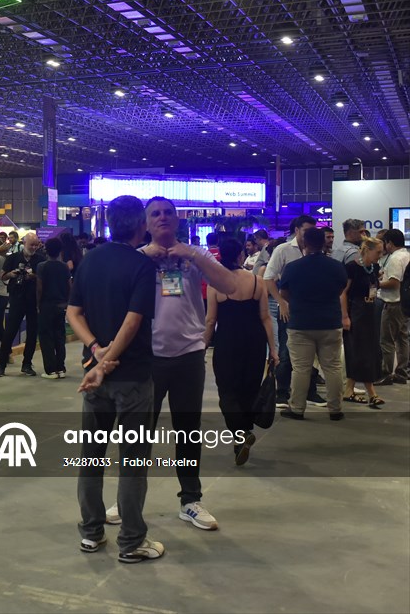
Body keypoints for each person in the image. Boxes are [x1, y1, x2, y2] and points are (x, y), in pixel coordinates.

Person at [115, 196, 237, 532]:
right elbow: (115, 293)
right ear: (146, 222)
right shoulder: (136, 258)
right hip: (147, 357)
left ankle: (190, 500)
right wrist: (144, 259)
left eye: (168, 212)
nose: (163, 217)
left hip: (188, 354)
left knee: (188, 431)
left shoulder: (195, 256)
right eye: (155, 213)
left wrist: (193, 254)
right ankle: (128, 499)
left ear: (178, 219)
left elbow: (230, 285)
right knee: (138, 434)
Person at [67, 195, 162, 563]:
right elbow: (133, 321)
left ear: (107, 223)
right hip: (133, 376)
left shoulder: (90, 260)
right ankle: (132, 542)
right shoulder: (141, 266)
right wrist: (107, 360)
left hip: (95, 377)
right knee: (133, 462)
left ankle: (91, 533)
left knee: (91, 457)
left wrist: (95, 351)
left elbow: (73, 313)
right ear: (141, 224)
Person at [204, 237, 278, 465]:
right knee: (249, 388)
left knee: (227, 390)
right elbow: (265, 318)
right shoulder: (257, 281)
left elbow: (210, 321)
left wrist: (202, 347)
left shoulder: (216, 285)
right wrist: (273, 350)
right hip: (254, 342)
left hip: (227, 342)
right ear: (240, 256)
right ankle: (242, 436)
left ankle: (240, 432)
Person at [278, 227, 347, 420]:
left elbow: (284, 294)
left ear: (304, 243)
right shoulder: (335, 266)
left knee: (301, 368)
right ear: (324, 242)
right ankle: (335, 409)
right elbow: (341, 289)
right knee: (332, 367)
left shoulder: (293, 267)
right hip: (330, 322)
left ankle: (297, 408)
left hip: (301, 323)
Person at [264, 215, 319, 405]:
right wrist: (281, 302)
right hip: (289, 309)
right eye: (306, 230)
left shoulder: (317, 250)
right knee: (287, 350)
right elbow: (268, 278)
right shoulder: (283, 250)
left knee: (312, 352)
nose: (310, 234)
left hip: (312, 309)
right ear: (296, 230)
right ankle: (282, 391)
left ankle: (310, 391)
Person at [340, 237, 385, 407]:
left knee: (369, 350)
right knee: (359, 350)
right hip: (356, 311)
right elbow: (343, 292)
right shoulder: (352, 267)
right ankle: (371, 392)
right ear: (367, 250)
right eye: (378, 252)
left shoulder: (374, 268)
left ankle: (349, 390)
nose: (380, 255)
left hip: (370, 310)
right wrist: (345, 316)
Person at [0, 233, 45, 377]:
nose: (34, 247)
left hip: (33, 300)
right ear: (24, 243)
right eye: (31, 245)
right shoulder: (12, 258)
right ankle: (1, 364)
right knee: (9, 332)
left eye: (36, 245)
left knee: (32, 334)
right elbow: (2, 276)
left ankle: (27, 364)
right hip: (16, 299)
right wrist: (11, 274)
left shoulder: (40, 260)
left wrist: (33, 276)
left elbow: (43, 279)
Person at [376, 229, 409, 385]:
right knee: (403, 338)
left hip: (393, 303)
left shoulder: (395, 258)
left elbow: (394, 282)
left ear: (389, 243)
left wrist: (376, 284)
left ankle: (387, 373)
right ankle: (402, 372)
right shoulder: (407, 255)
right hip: (404, 303)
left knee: (387, 340)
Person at [36, 237, 71, 379]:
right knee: (59, 336)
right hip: (60, 306)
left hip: (46, 305)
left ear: (46, 250)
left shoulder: (41, 266)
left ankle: (50, 370)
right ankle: (61, 368)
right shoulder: (64, 267)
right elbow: (70, 286)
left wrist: (38, 304)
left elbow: (39, 288)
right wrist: (67, 302)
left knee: (46, 337)